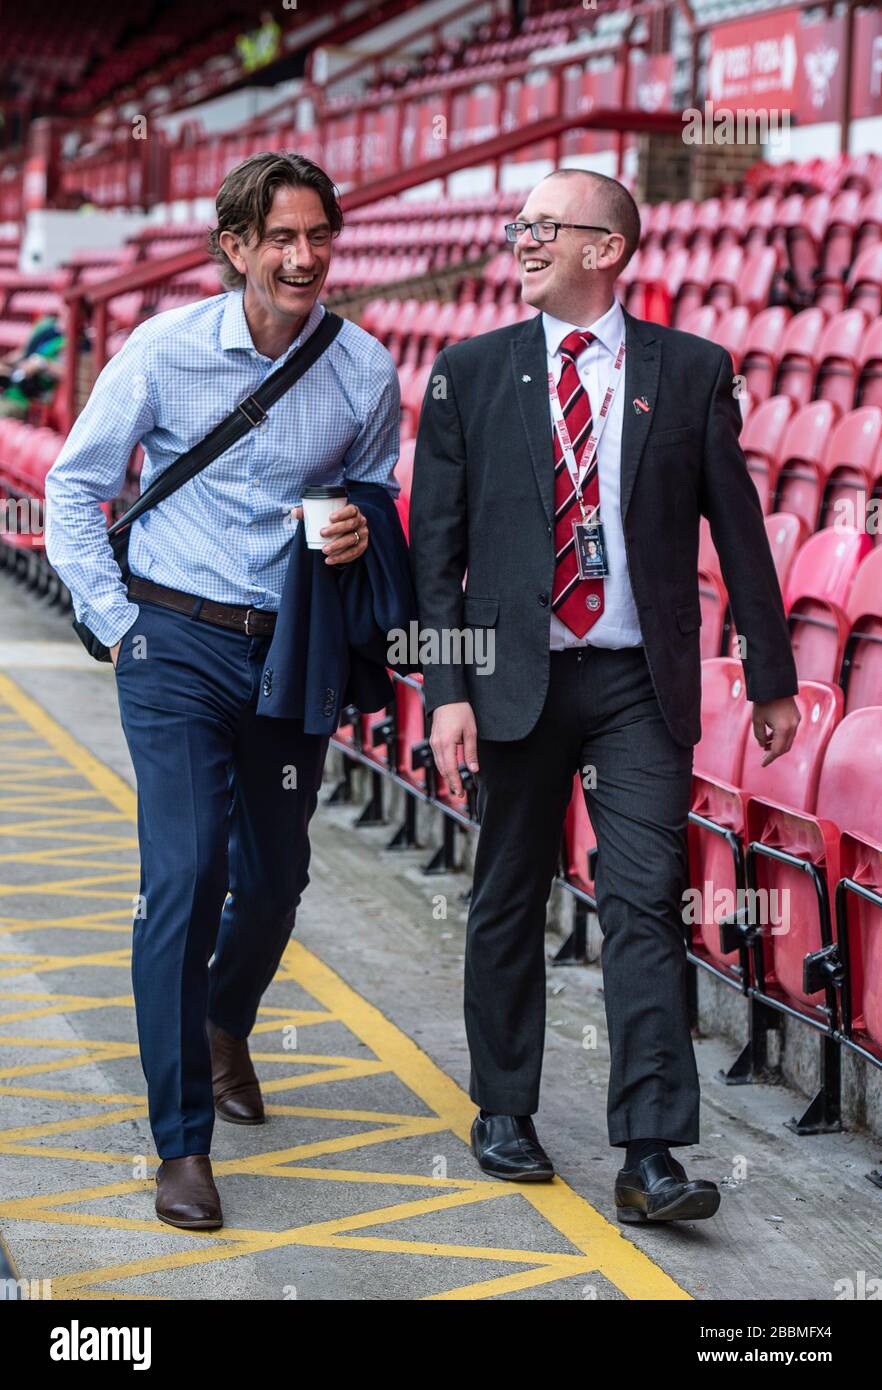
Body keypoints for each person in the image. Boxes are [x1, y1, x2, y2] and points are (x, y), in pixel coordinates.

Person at [409, 168, 800, 1225]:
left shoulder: (690, 370)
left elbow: (740, 529)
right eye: (518, 225)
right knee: (505, 899)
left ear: (607, 249)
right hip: (513, 676)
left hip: (638, 681)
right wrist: (446, 688)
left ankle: (653, 1153)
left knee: (642, 905)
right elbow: (433, 551)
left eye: (544, 227)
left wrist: (771, 672)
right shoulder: (471, 374)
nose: (521, 240)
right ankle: (503, 1110)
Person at [44, 151, 400, 1230]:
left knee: (279, 874)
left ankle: (222, 1021)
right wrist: (121, 630)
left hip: (291, 652)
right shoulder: (164, 351)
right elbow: (74, 488)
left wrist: (354, 527)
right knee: (187, 874)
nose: (302, 257)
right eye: (279, 238)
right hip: (176, 644)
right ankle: (182, 1145)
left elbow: (376, 495)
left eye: (319, 235)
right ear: (235, 246)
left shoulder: (365, 368)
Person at [0, 314, 65, 418]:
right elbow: (23, 352)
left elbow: (69, 374)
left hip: (28, 400)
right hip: (11, 389)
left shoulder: (78, 341)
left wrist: (42, 363)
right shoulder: (47, 326)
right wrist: (4, 364)